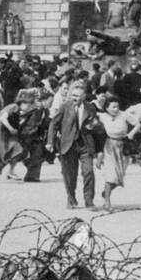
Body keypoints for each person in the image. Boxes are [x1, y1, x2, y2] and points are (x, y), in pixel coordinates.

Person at [46, 82, 100, 210]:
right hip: (68, 144)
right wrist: (50, 142)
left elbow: (96, 124)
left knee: (88, 172)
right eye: (73, 95)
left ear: (84, 96)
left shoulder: (90, 107)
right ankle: (71, 199)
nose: (75, 98)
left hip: (85, 144)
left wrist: (93, 126)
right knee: (69, 174)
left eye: (78, 95)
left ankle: (89, 201)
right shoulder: (65, 106)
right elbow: (54, 124)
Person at [94, 94, 140, 212]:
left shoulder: (124, 115)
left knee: (120, 177)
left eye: (117, 106)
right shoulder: (102, 116)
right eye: (113, 107)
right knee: (111, 175)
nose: (116, 109)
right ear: (107, 108)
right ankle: (107, 203)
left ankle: (106, 193)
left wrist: (131, 134)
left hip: (123, 146)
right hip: (109, 146)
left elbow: (138, 123)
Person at [0, 99, 24, 184]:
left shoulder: (18, 109)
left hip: (6, 132)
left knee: (18, 149)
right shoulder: (14, 106)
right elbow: (3, 118)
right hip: (0, 131)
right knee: (0, 155)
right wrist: (11, 129)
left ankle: (10, 171)